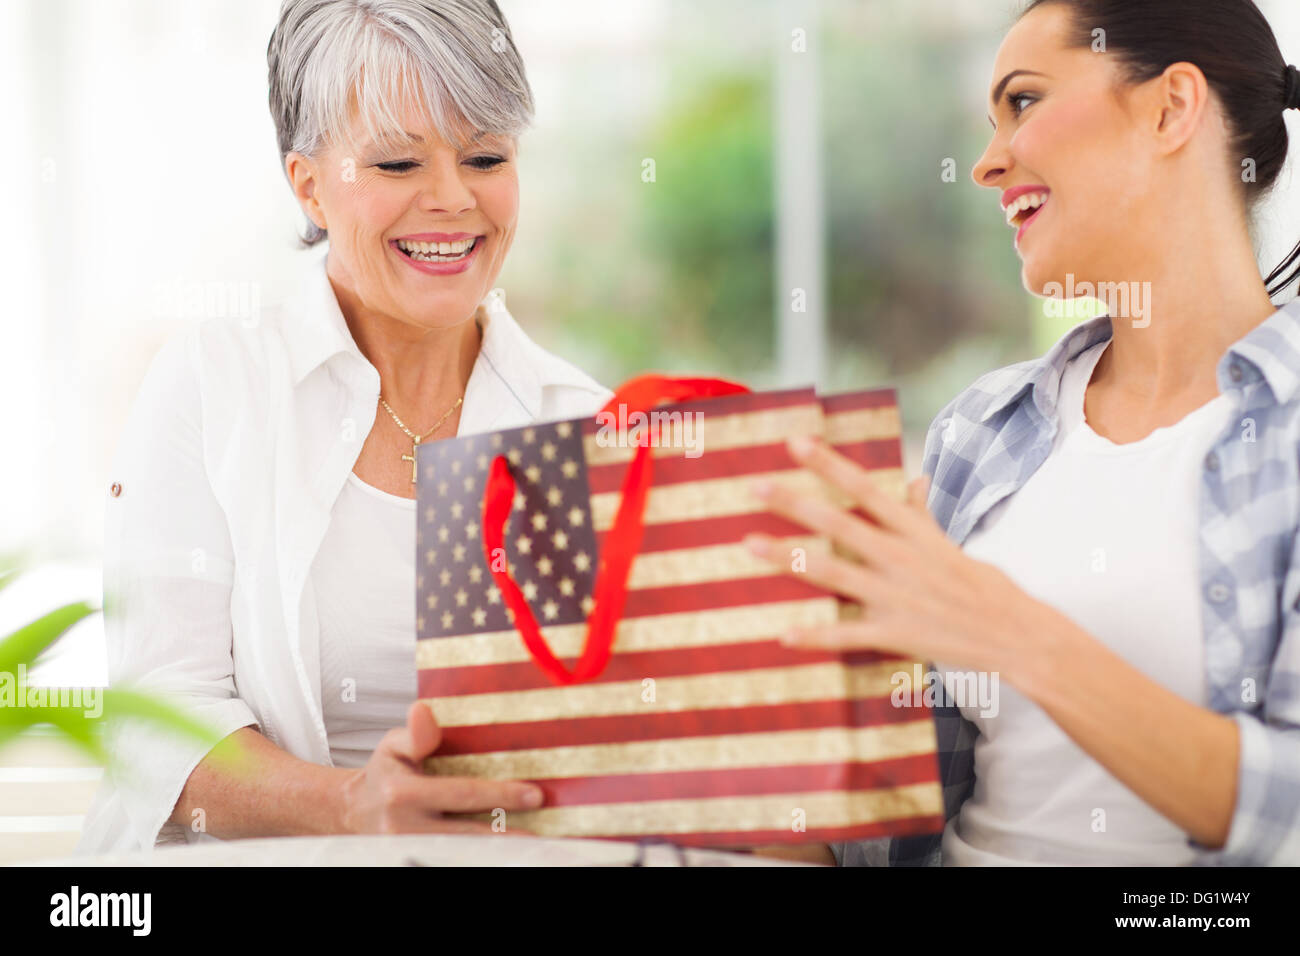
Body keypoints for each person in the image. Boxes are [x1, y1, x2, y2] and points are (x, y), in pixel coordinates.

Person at [746, 0, 1300, 865]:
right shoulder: (982, 429)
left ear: (1172, 108)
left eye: (1025, 102)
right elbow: (875, 833)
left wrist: (1005, 629)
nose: (985, 163)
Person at [79, 0, 611, 852]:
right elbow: (159, 714)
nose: (452, 199)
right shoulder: (212, 387)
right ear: (310, 184)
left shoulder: (582, 424)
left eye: (486, 156)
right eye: (398, 162)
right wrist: (352, 806)